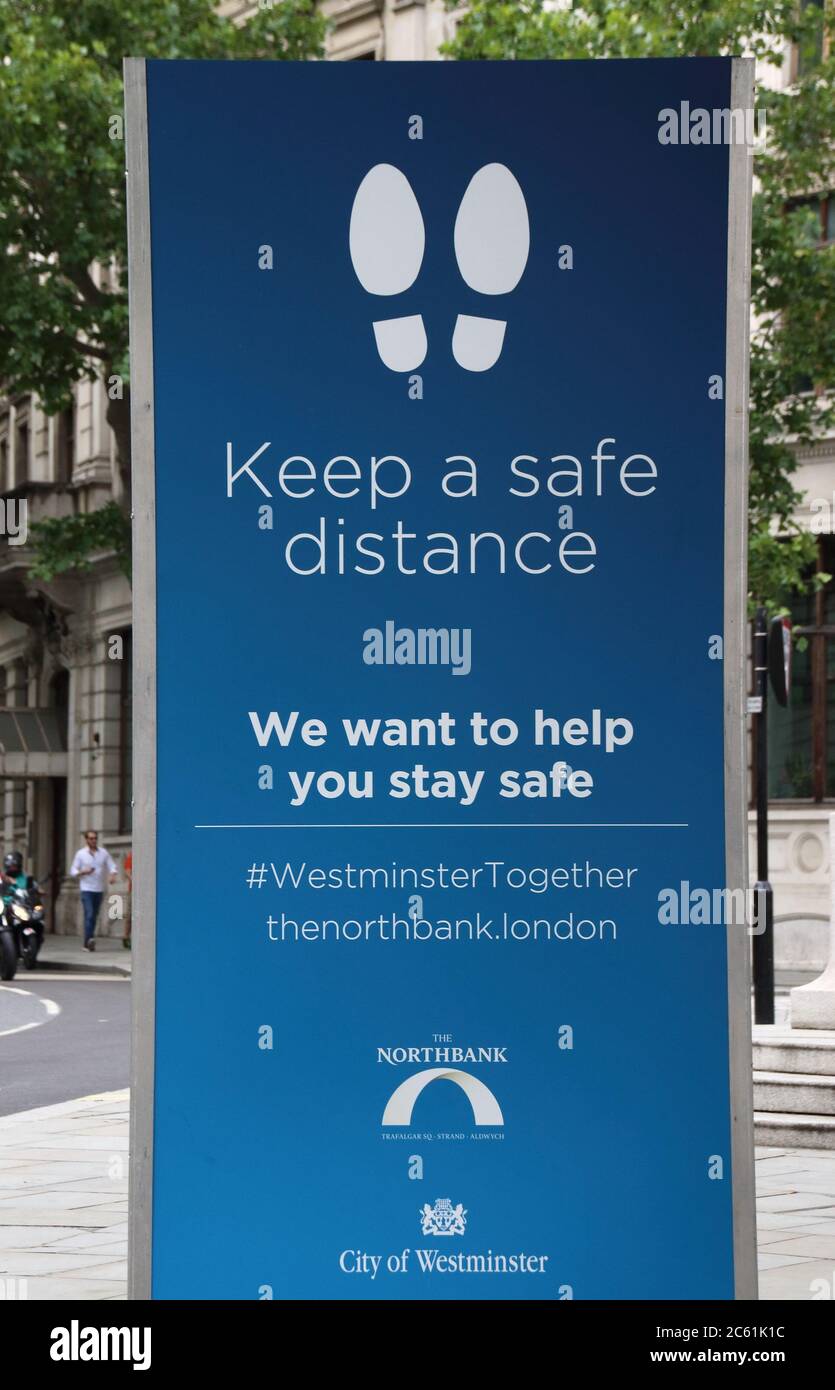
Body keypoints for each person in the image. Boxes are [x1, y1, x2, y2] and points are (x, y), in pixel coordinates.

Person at [70, 830, 117, 952]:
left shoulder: (103, 853)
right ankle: (88, 941)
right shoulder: (81, 854)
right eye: (91, 838)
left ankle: (88, 941)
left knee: (93, 916)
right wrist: (82, 872)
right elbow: (73, 871)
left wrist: (112, 875)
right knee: (89, 914)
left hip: (99, 889)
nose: (93, 840)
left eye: (95, 838)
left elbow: (112, 865)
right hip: (86, 889)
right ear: (86, 840)